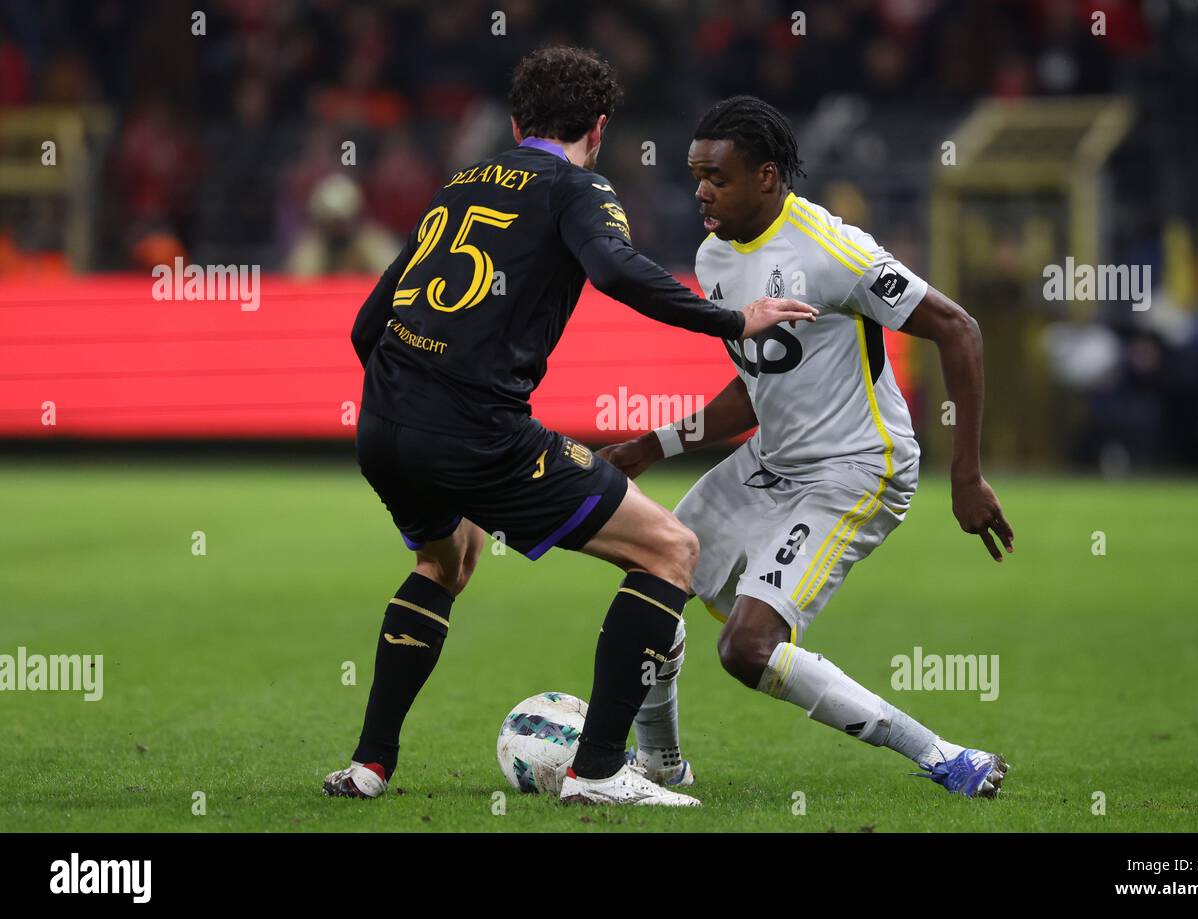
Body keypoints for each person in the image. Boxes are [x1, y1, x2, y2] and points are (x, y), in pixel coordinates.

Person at [324, 53, 816, 807]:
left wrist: (405, 414)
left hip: (384, 423)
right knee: (670, 550)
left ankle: (369, 765)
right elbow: (616, 272)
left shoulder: (460, 184)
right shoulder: (578, 187)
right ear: (599, 127)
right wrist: (729, 318)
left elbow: (369, 324)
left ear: (517, 125)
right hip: (476, 431)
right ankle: (597, 771)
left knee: (447, 558)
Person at [601, 96, 1014, 797]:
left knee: (747, 647)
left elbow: (959, 328)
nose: (700, 190)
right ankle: (660, 765)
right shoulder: (715, 255)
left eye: (717, 177)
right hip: (776, 460)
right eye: (696, 173)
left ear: (767, 177)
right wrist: (652, 445)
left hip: (857, 468)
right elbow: (754, 386)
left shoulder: (831, 250)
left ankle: (947, 755)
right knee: (653, 577)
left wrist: (967, 475)